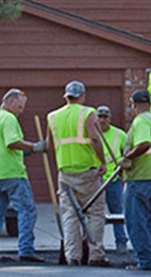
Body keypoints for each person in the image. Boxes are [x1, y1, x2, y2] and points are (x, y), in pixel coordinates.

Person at [0, 89, 47, 262]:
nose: (21, 111)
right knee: (27, 210)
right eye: (20, 107)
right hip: (13, 173)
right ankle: (26, 250)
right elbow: (12, 142)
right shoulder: (8, 118)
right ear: (10, 102)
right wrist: (35, 147)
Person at [47, 81, 110, 267]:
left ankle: (72, 256)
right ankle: (95, 255)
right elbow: (94, 138)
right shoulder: (87, 113)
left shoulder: (52, 116)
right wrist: (102, 162)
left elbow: (48, 144)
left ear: (66, 96)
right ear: (82, 96)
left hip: (65, 172)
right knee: (95, 213)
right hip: (87, 171)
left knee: (70, 215)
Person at [120, 90, 151, 271]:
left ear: (134, 104)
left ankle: (146, 263)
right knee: (145, 221)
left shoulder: (140, 121)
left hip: (140, 178)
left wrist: (128, 158)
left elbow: (144, 144)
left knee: (136, 223)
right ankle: (150, 260)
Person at [96, 105, 130, 255]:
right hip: (96, 180)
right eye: (100, 117)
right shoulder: (91, 134)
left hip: (113, 179)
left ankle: (121, 243)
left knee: (117, 213)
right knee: (94, 215)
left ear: (110, 119)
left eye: (105, 117)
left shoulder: (119, 135)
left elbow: (128, 154)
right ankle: (96, 244)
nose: (102, 120)